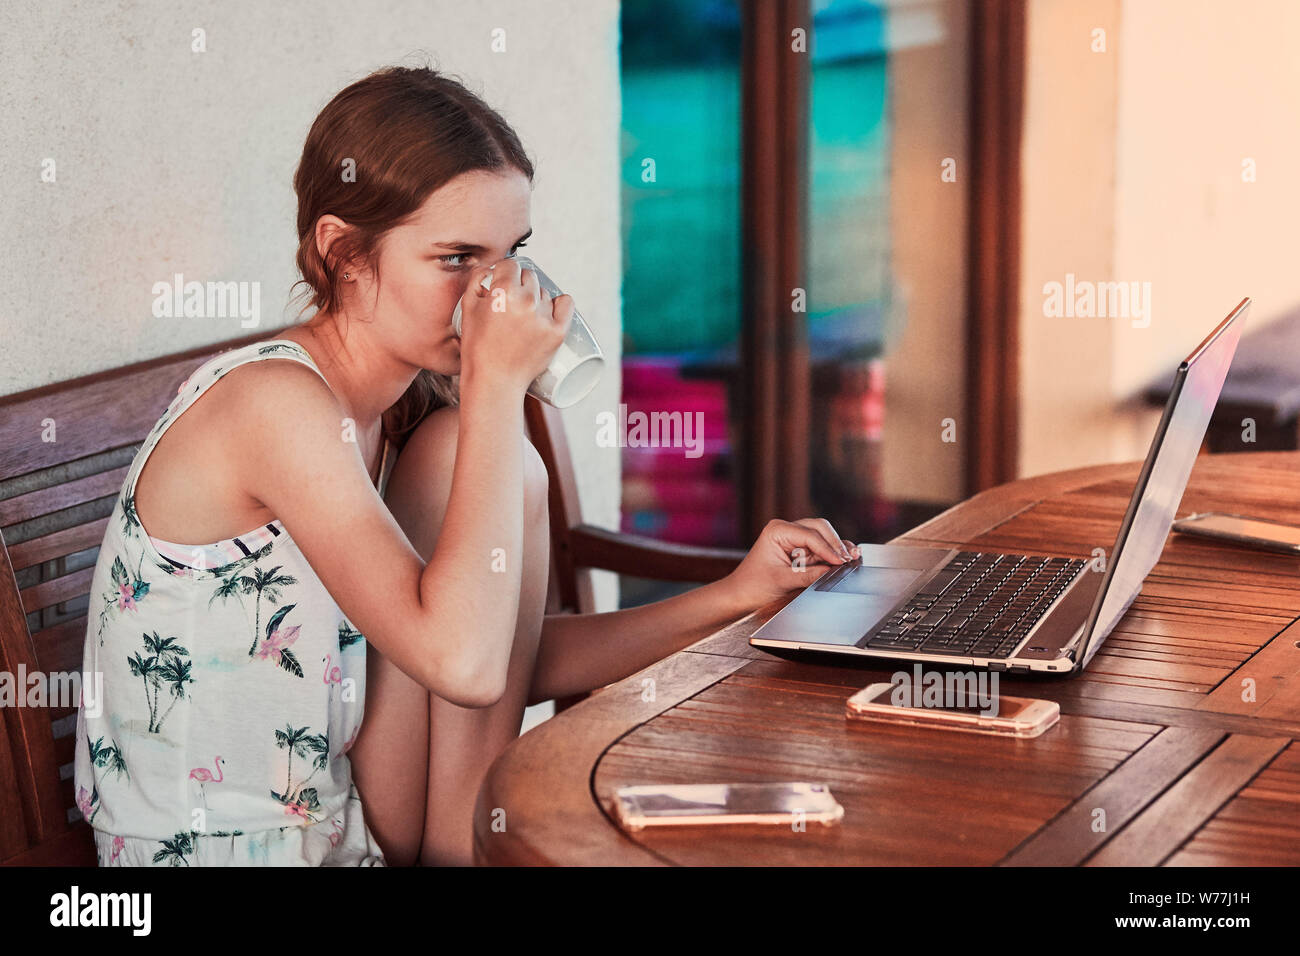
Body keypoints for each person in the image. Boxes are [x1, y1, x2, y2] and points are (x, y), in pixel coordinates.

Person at [74, 64, 860, 867]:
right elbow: (467, 666)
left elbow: (504, 655)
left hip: (354, 833)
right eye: (456, 258)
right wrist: (492, 392)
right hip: (228, 853)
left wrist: (734, 596)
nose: (493, 292)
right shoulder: (274, 405)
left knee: (481, 464)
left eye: (510, 254)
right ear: (343, 253)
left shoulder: (401, 418)